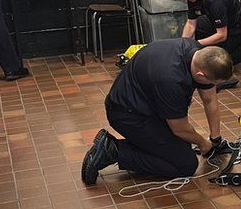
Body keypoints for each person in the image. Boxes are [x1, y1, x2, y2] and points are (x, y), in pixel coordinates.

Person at [81, 38, 233, 184]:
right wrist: (203, 143)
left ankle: (139, 146)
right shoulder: (171, 80)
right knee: (186, 164)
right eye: (212, 83)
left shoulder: (200, 54)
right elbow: (180, 129)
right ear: (201, 74)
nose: (213, 86)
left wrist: (215, 139)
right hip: (127, 115)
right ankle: (113, 151)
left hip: (145, 106)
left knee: (183, 146)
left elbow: (209, 99)